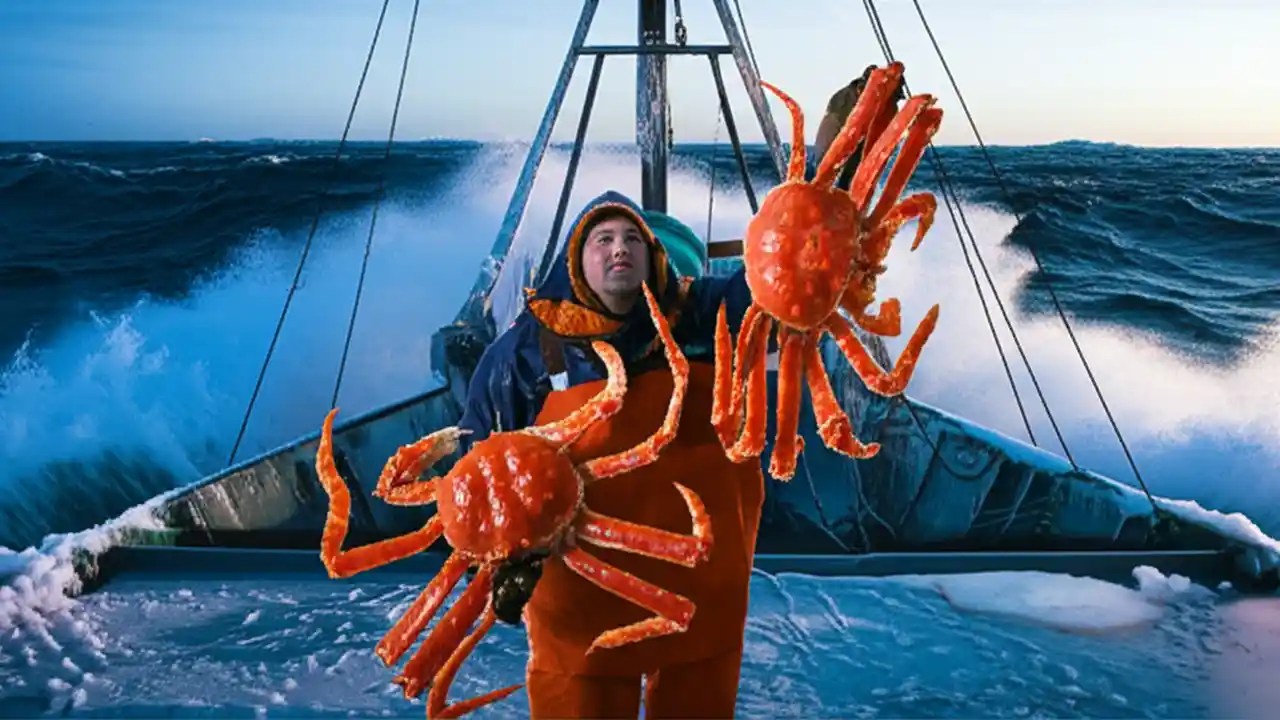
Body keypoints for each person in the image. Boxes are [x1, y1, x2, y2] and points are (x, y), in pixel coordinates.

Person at [456, 70, 904, 719]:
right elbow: (477, 461)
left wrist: (849, 152)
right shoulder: (530, 351)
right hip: (581, 601)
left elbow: (792, 272)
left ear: (660, 263)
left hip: (703, 595)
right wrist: (494, 558)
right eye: (603, 239)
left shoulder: (706, 317)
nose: (619, 250)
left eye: (633, 239)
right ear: (573, 260)